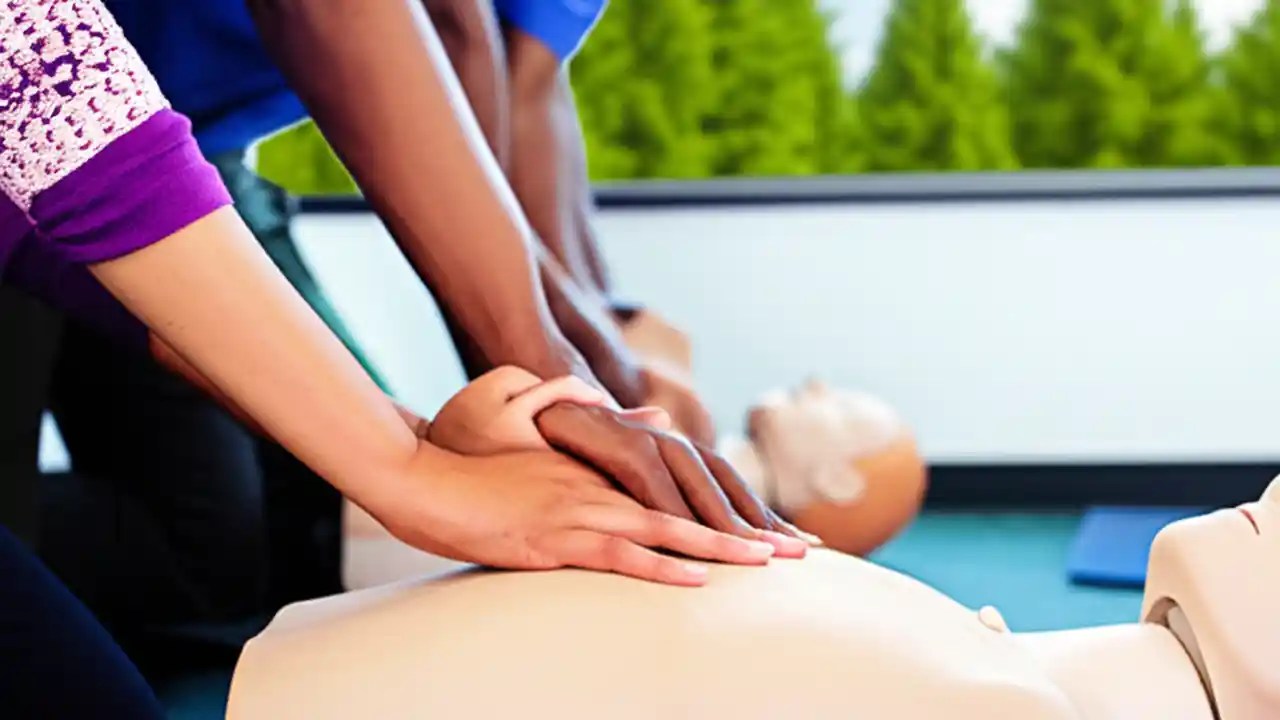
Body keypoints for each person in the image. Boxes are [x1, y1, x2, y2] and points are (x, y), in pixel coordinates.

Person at [0, 1, 798, 715]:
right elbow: (47, 89)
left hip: (104, 176)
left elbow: (44, 235)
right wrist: (461, 431)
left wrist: (425, 432)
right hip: (98, 158)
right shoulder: (53, 82)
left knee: (223, 540)